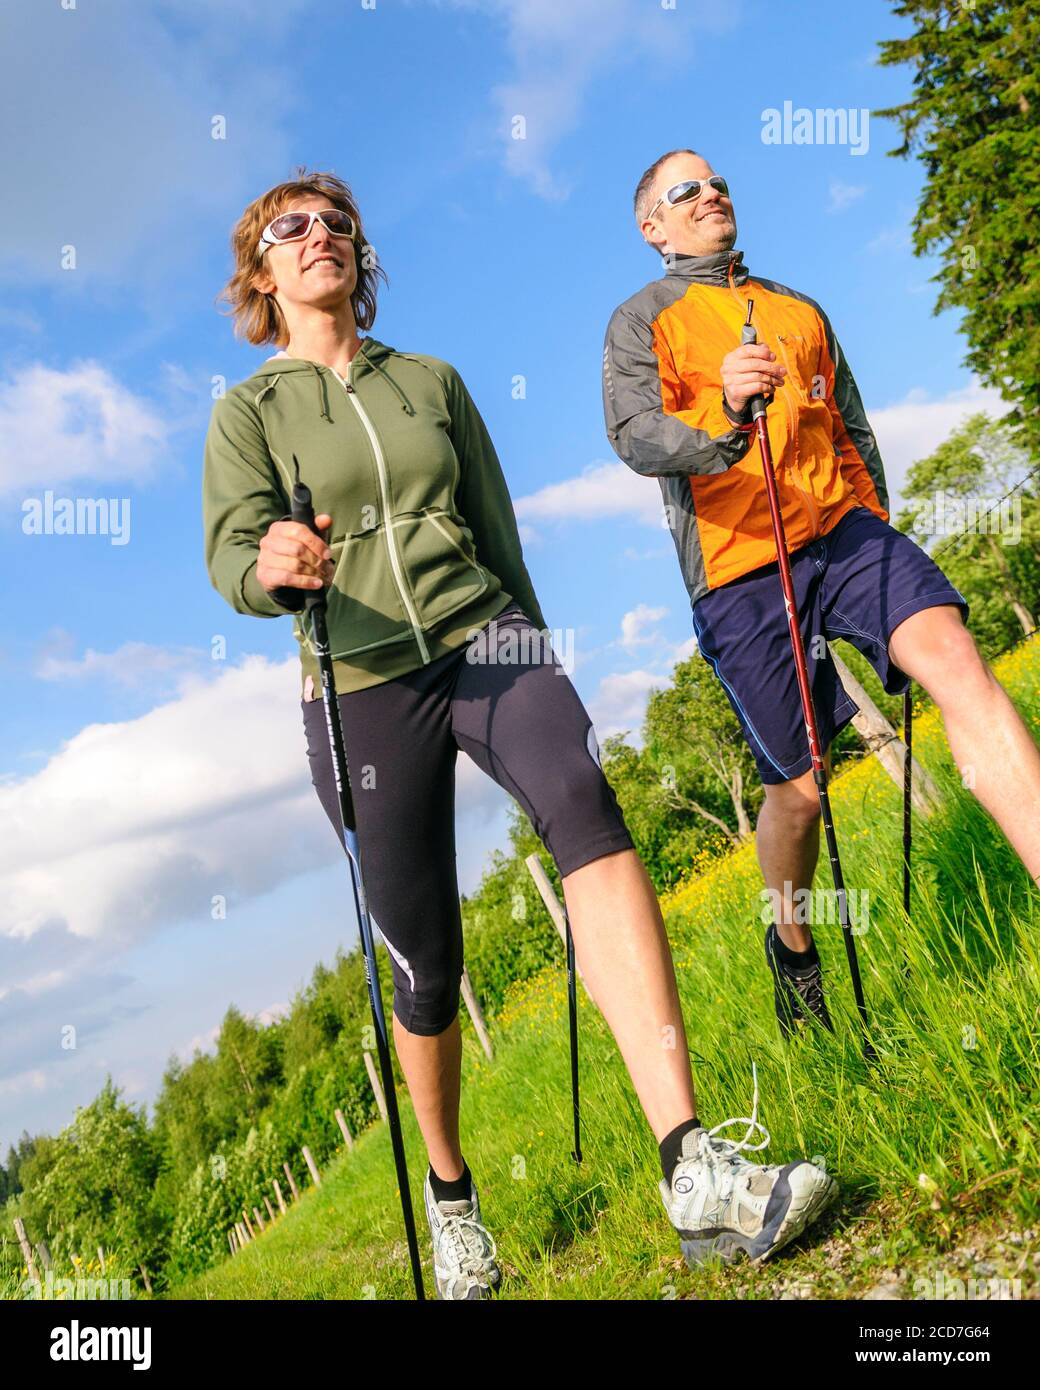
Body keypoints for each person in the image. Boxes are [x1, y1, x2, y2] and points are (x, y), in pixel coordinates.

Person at [203, 167, 837, 1298]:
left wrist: (537, 659)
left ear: (360, 253)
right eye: (290, 229)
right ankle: (453, 1201)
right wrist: (269, 566)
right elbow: (230, 553)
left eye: (338, 223)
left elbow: (495, 528)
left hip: (485, 638)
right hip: (356, 682)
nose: (320, 238)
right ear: (262, 270)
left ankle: (689, 1164)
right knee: (425, 964)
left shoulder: (431, 381)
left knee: (586, 811)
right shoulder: (246, 412)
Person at [602, 148, 1040, 1039]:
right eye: (686, 189)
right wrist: (723, 415)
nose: (711, 194)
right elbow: (634, 434)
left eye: (717, 181)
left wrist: (873, 520)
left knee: (959, 662)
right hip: (738, 568)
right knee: (799, 791)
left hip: (842, 532)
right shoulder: (640, 318)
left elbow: (852, 424)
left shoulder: (800, 309)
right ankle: (793, 944)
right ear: (652, 226)